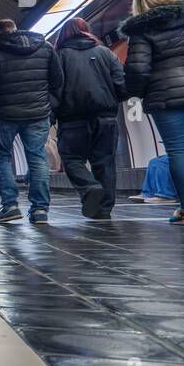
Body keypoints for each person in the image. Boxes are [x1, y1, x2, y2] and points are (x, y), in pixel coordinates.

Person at [0, 18, 64, 224]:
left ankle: (10, 206)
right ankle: (40, 210)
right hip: (38, 113)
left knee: (2, 157)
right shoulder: (45, 46)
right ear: (15, 30)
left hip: (5, 114)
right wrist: (47, 104)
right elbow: (58, 81)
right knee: (37, 158)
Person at [121, 0, 184, 226]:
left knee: (179, 151)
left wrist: (135, 93)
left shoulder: (142, 29)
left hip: (165, 97)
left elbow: (138, 68)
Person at [53, 17, 126, 219]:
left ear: (63, 34)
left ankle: (89, 187)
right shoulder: (106, 53)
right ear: (86, 30)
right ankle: (103, 210)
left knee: (71, 159)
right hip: (105, 117)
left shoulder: (59, 56)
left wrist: (51, 116)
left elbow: (55, 90)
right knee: (105, 163)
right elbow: (121, 84)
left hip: (72, 119)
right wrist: (110, 101)